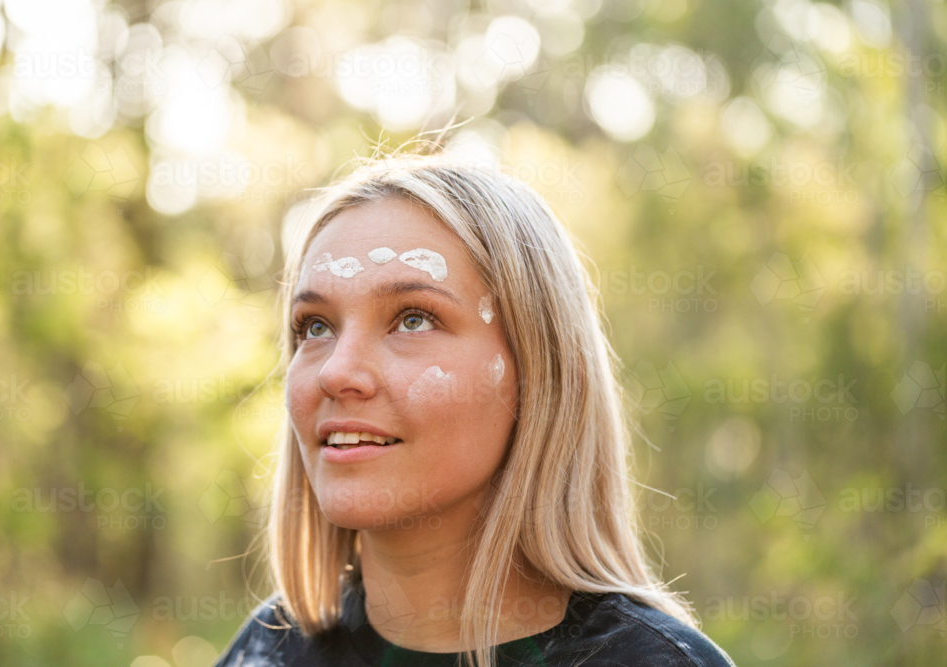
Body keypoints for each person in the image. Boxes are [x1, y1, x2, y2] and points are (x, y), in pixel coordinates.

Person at [213, 146, 735, 667]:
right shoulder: (265, 652)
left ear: (538, 370)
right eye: (316, 326)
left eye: (413, 318)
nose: (335, 372)